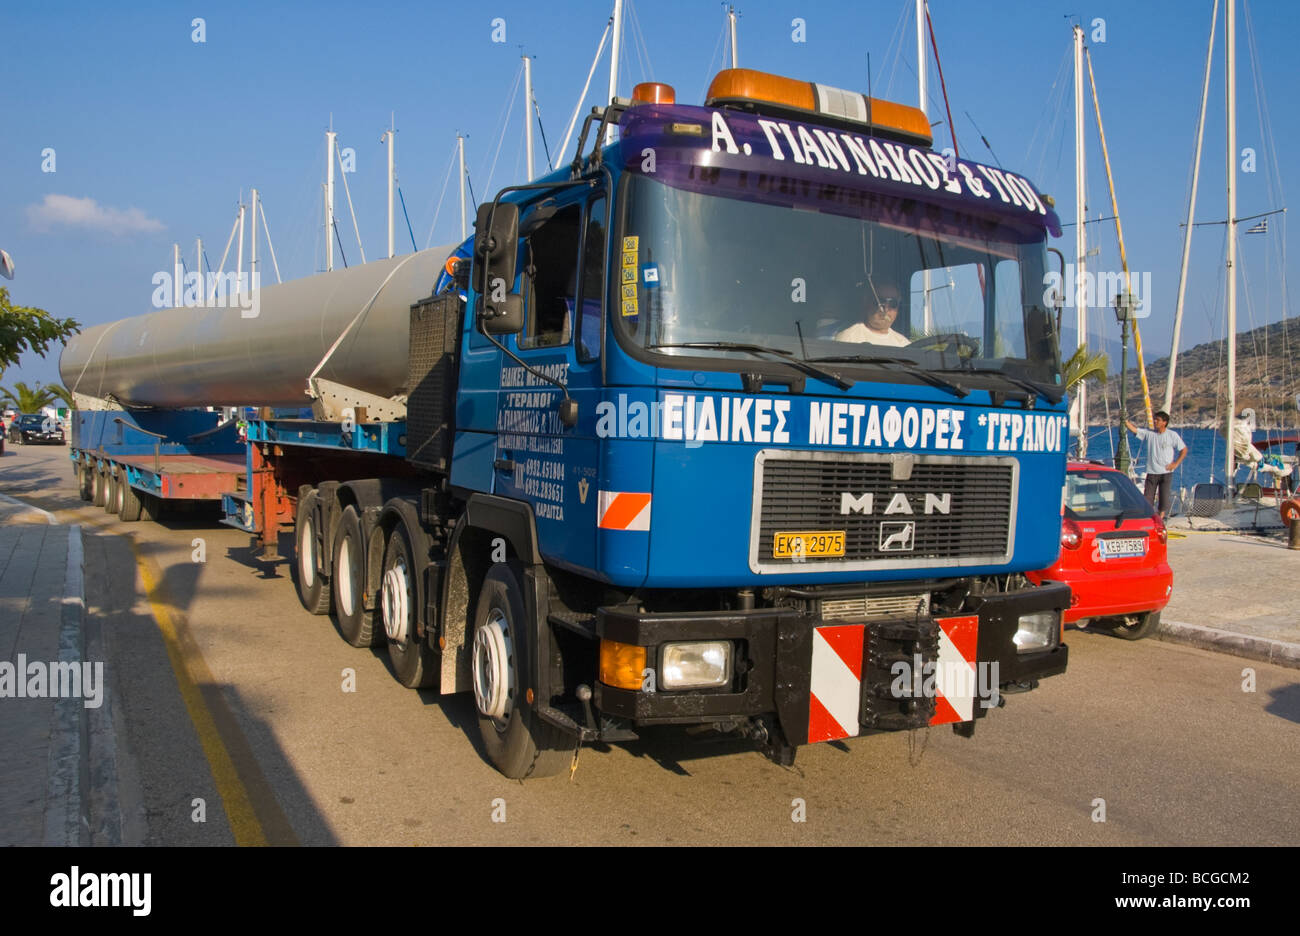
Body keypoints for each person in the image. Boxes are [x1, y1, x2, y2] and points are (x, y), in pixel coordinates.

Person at [1124, 410, 1188, 519]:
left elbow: (1184, 449)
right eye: (1155, 419)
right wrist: (1125, 421)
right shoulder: (1149, 434)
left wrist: (1176, 464)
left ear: (1164, 422)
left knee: (1164, 497)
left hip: (1166, 472)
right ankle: (1148, 517)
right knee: (1147, 497)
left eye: (1157, 420)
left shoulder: (1172, 435)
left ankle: (1161, 518)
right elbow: (1134, 430)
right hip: (1152, 472)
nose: (1155, 421)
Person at [835, 280, 909, 347]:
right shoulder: (849, 338)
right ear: (866, 303)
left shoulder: (904, 344)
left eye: (893, 303)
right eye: (880, 302)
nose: (885, 309)